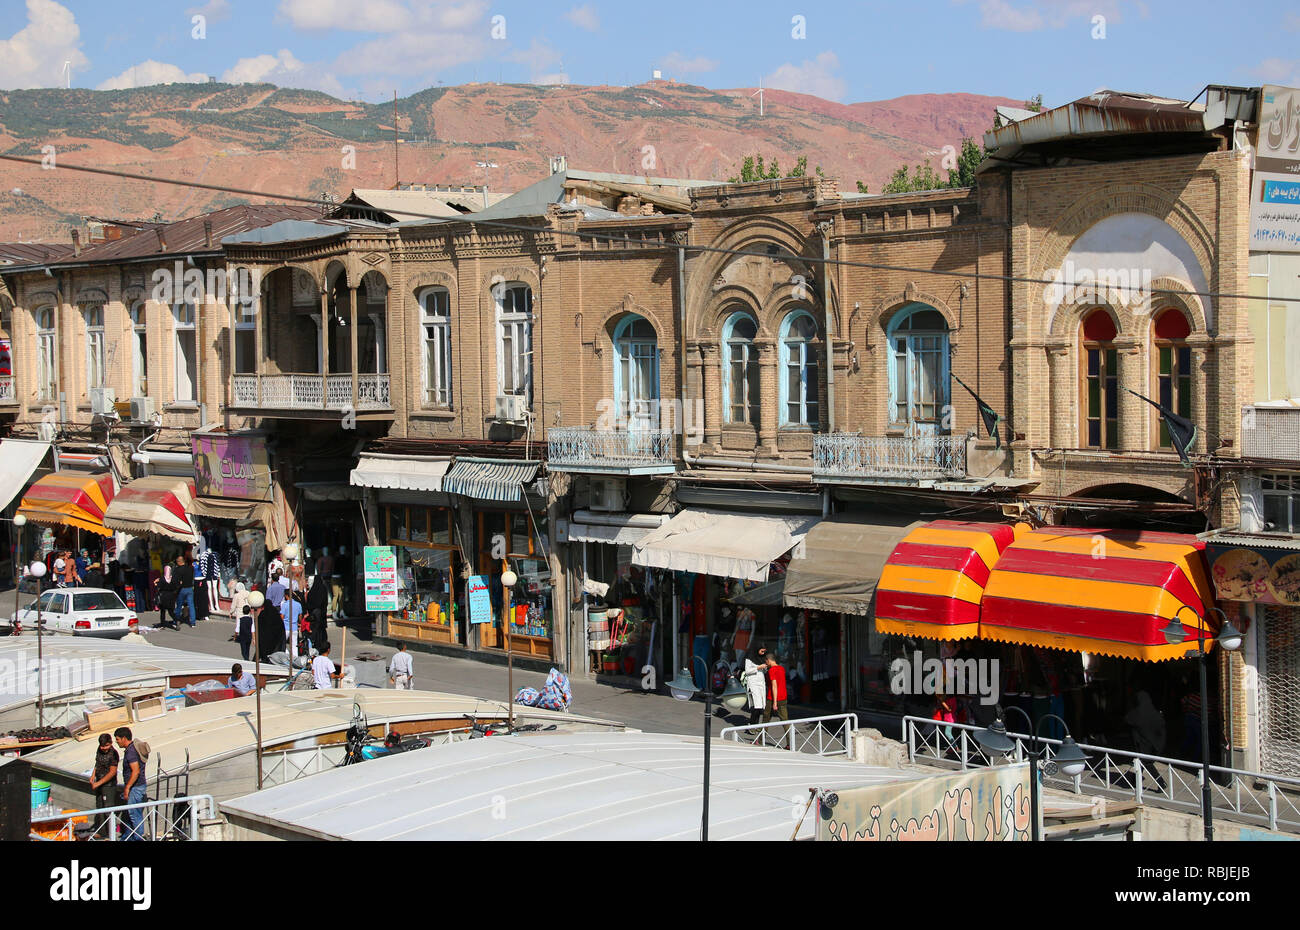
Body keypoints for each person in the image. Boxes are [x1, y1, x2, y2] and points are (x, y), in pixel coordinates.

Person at [1125, 690, 1167, 791]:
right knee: (1142, 762)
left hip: (1142, 744)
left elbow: (1127, 719)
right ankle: (1134, 781)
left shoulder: (1137, 713)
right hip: (1155, 744)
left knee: (1145, 762)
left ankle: (1161, 783)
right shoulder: (1155, 713)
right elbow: (1161, 726)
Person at [114, 726, 147, 841]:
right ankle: (127, 837)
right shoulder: (131, 749)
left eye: (117, 739)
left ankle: (138, 838)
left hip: (135, 788)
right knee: (129, 814)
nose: (116, 742)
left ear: (124, 738)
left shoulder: (131, 752)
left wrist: (127, 787)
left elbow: (136, 771)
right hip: (136, 787)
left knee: (134, 815)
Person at [89, 733, 119, 834]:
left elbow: (112, 772)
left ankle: (111, 833)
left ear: (110, 743)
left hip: (108, 785)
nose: (104, 748)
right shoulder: (99, 750)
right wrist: (93, 776)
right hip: (99, 782)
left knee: (108, 809)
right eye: (102, 746)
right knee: (100, 808)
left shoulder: (113, 754)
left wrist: (98, 783)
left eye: (106, 746)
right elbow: (97, 763)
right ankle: (102, 832)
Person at [762, 651, 789, 723]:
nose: (766, 664)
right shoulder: (782, 668)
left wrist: (774, 703)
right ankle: (789, 734)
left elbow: (774, 686)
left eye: (766, 662)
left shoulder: (771, 670)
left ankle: (762, 733)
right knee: (784, 719)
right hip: (783, 697)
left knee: (766, 717)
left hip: (772, 697)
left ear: (768, 660)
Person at [155, 559, 179, 629]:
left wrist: (156, 584)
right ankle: (176, 620)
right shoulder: (173, 579)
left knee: (163, 611)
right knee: (171, 611)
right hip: (171, 596)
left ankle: (162, 624)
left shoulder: (162, 579)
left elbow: (159, 586)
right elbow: (175, 586)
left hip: (164, 596)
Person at [741, 655, 766, 724]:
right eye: (762, 651)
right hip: (753, 684)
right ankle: (752, 724)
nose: (763, 653)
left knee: (760, 707)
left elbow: (764, 671)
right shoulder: (749, 659)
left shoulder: (761, 659)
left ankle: (755, 724)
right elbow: (747, 671)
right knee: (756, 706)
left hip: (761, 684)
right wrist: (758, 667)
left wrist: (764, 668)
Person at [173, 555, 196, 627]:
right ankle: (193, 622)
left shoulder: (177, 570)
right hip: (190, 588)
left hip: (181, 589)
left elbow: (175, 580)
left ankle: (176, 620)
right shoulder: (190, 568)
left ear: (179, 562)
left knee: (179, 606)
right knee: (191, 605)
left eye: (177, 562)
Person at [132, 547, 151, 612]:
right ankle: (141, 608)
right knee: (141, 594)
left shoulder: (141, 559)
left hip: (139, 576)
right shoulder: (146, 559)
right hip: (142, 576)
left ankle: (140, 608)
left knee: (140, 594)